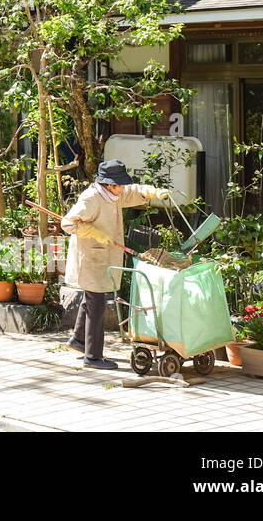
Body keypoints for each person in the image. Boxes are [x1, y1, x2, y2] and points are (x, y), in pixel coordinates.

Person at [59, 159, 170, 370]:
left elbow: (132, 191)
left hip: (101, 256)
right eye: (119, 184)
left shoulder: (114, 194)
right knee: (96, 303)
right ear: (108, 184)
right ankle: (93, 357)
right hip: (90, 257)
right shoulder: (91, 198)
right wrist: (92, 232)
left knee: (92, 299)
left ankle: (79, 340)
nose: (122, 187)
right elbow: (68, 223)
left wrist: (152, 192)